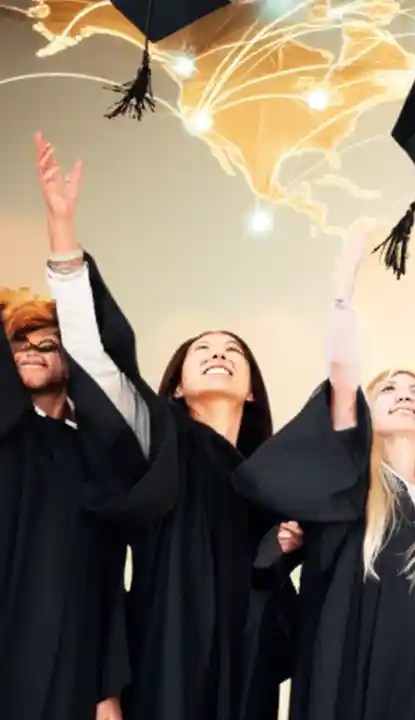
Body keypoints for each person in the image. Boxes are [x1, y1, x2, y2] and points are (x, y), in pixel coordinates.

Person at [34, 132, 301, 720]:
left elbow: (280, 622)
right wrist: (64, 237)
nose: (218, 352)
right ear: (176, 383)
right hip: (162, 662)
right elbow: (95, 362)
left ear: (252, 387)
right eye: (201, 348)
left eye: (233, 350)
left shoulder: (269, 485)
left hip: (243, 685)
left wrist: (279, 552)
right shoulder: (162, 440)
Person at [232, 221, 415, 720]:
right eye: (390, 389)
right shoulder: (345, 491)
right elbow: (343, 379)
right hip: (341, 682)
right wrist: (343, 290)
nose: (406, 396)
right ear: (366, 411)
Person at [0, 281, 131, 720]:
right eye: (19, 342)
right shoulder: (8, 443)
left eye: (48, 343)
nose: (32, 349)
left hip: (68, 660)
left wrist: (107, 688)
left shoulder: (97, 461)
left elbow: (108, 579)